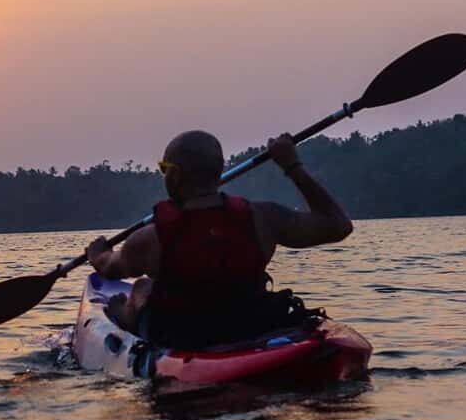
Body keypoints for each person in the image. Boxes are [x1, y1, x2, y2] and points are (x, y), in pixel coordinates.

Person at [85, 130, 353, 347]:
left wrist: (97, 252)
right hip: (252, 326)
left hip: (186, 337)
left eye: (163, 168)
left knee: (142, 287)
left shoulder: (150, 238)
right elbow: (337, 225)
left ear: (175, 175)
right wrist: (292, 165)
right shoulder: (263, 218)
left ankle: (124, 316)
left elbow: (109, 268)